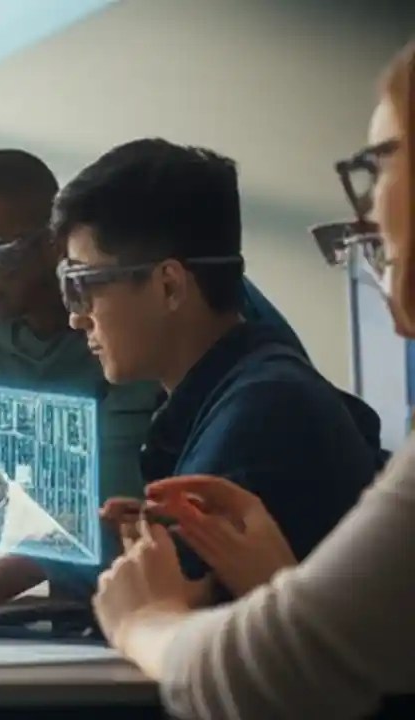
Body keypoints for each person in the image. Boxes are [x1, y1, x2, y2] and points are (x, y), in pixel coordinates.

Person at [0, 150, 307, 635]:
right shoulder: (5, 353)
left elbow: (145, 544)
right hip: (112, 621)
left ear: (52, 244)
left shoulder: (223, 373)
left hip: (175, 625)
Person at [93, 41, 415, 719]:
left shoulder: (263, 401)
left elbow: (266, 671)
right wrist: (284, 585)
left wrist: (142, 618)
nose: (368, 207)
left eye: (378, 164)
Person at [54, 137, 383, 607]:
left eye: (83, 285)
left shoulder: (261, 415)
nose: (76, 317)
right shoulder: (245, 393)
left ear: (169, 286)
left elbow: (188, 630)